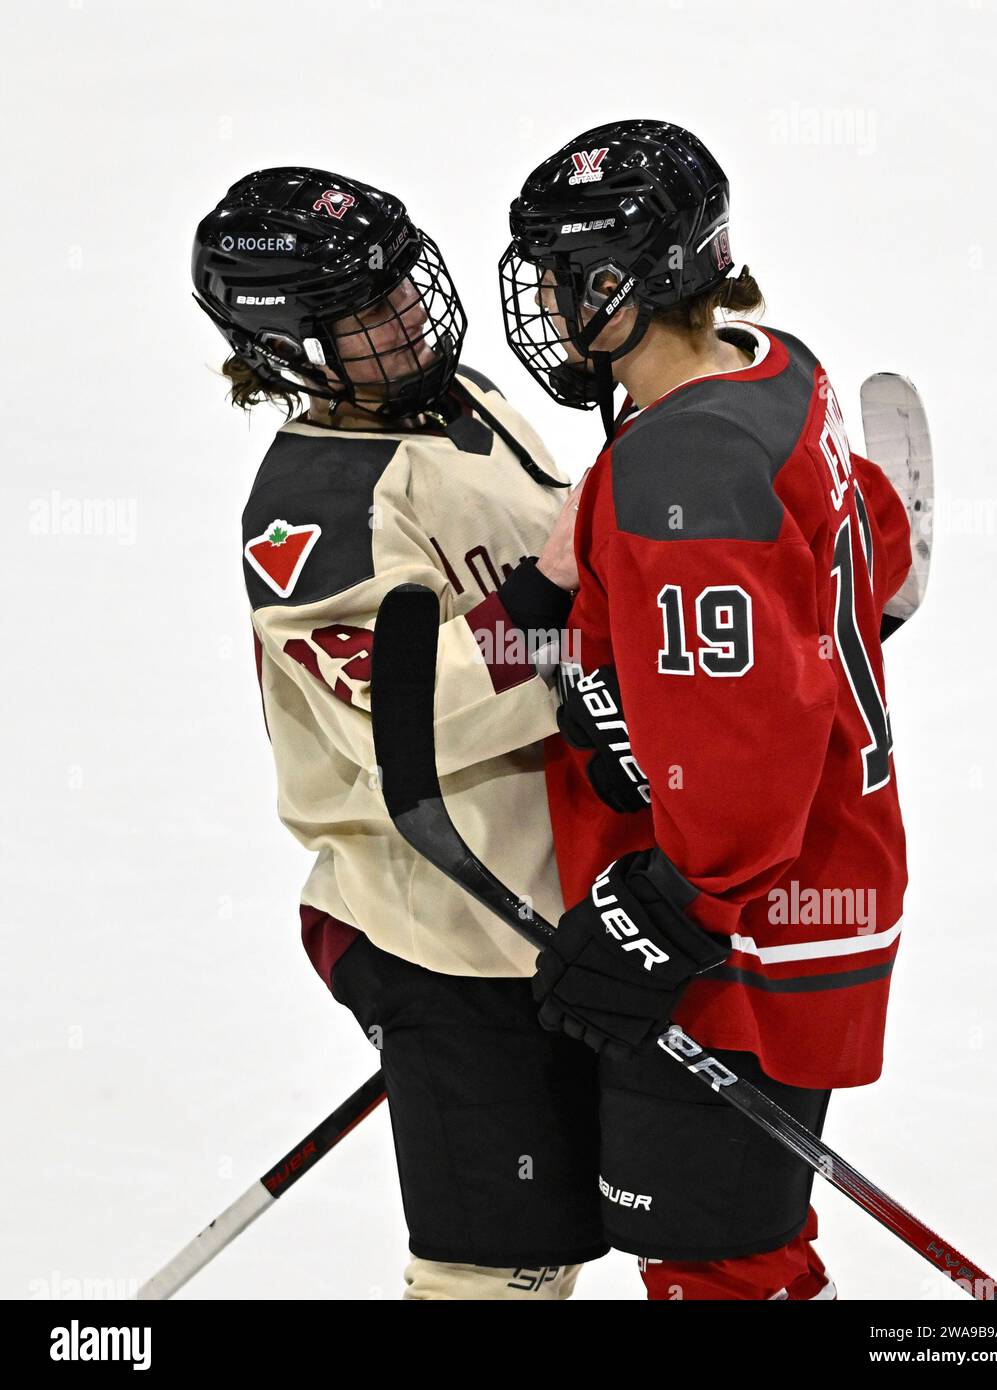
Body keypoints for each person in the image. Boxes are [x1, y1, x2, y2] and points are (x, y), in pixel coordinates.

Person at [499, 118, 914, 1300]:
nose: (542, 304)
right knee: (725, 1241)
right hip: (809, 864)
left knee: (719, 1260)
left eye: (556, 277)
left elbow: (734, 759)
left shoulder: (679, 472)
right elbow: (848, 527)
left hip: (749, 919)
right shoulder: (771, 364)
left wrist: (672, 906)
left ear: (620, 283)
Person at [191, 167, 604, 1300]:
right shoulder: (312, 508)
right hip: (439, 926)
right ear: (290, 348)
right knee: (498, 1270)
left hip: (548, 902)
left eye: (403, 286)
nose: (408, 316)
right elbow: (405, 714)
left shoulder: (466, 399)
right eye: (365, 312)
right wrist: (554, 599)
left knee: (560, 1240)